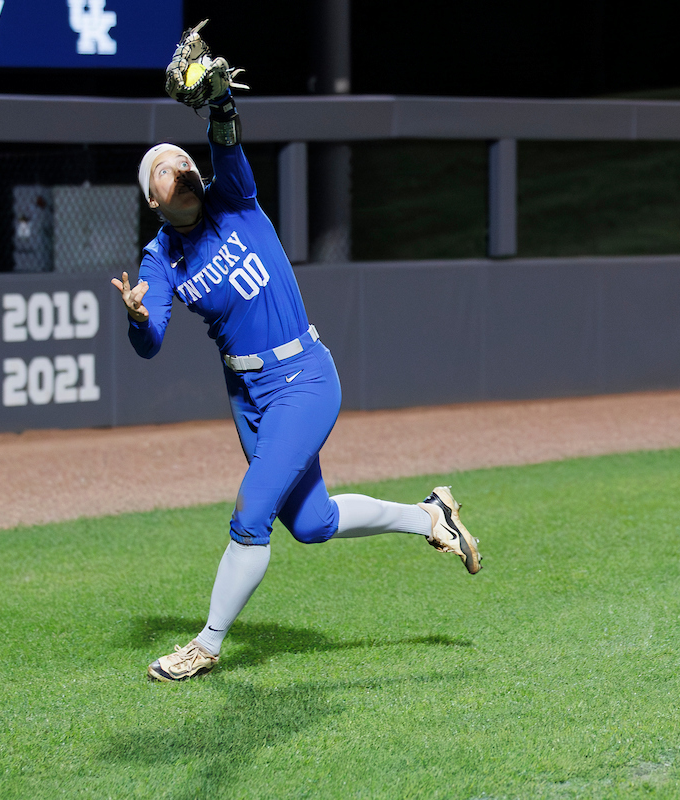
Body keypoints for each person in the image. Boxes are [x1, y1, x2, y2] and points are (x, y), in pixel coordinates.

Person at [111, 58, 482, 683]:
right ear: (153, 199)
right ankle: (429, 515)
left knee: (252, 509)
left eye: (185, 162)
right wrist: (139, 317)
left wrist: (219, 103)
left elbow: (225, 147)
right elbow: (150, 342)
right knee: (313, 523)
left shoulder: (236, 201)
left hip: (304, 377)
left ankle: (205, 645)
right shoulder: (160, 259)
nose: (183, 170)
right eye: (167, 170)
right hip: (249, 396)